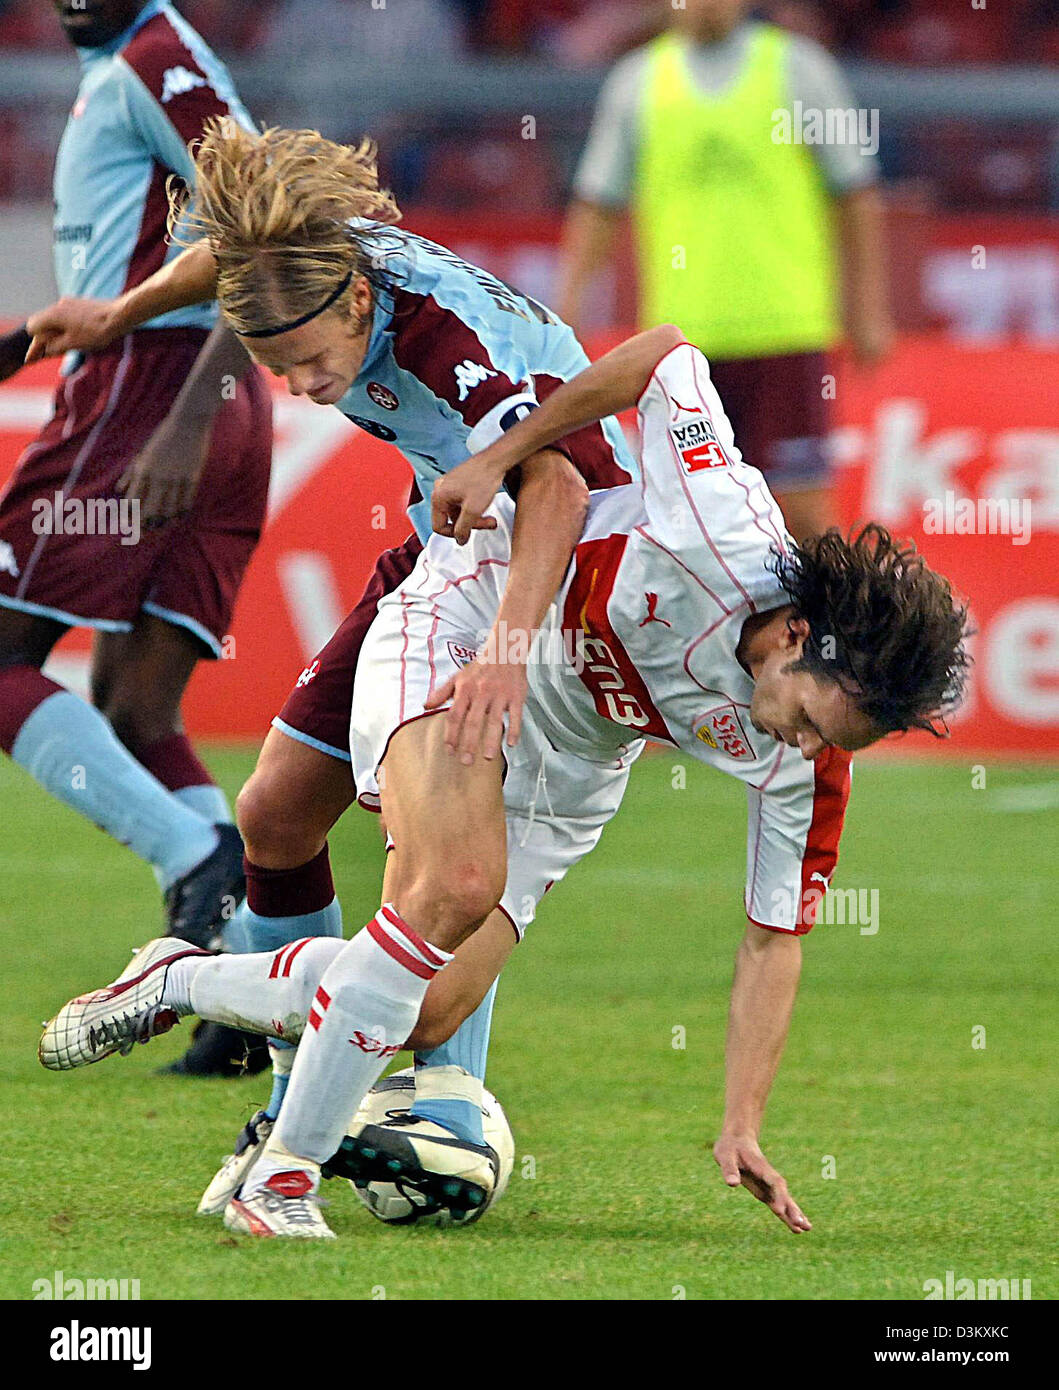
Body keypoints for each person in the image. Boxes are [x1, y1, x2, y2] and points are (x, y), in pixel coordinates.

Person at [39, 326, 970, 1240]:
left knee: (429, 1006)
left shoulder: (808, 766)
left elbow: (774, 941)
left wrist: (742, 1123)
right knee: (438, 888)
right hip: (473, 626)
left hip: (570, 771)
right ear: (800, 638)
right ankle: (280, 1177)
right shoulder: (722, 525)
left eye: (828, 744)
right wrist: (509, 454)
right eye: (810, 721)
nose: (806, 749)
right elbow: (664, 355)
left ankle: (182, 979)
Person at [25, 119, 637, 1192]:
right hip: (446, 547)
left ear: (359, 303)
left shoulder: (448, 345)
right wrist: (117, 315)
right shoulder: (311, 258)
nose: (304, 388)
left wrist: (504, 654)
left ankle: (369, 1099)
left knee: (430, 878)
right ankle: (319, 1104)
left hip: (559, 574)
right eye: (274, 368)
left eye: (309, 362)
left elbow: (561, 483)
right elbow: (226, 253)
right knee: (270, 814)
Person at [0, 1, 272, 1036]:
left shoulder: (160, 58)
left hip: (157, 389)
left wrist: (187, 416)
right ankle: (244, 991)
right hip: (200, 396)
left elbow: (271, 219)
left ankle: (194, 859)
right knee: (136, 705)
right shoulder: (133, 62)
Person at [556, 0, 895, 542]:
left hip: (785, 329)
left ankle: (838, 629)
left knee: (804, 515)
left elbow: (854, 193)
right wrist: (568, 310)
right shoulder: (637, 80)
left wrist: (868, 310)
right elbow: (598, 203)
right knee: (682, 518)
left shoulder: (798, 67)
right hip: (678, 345)